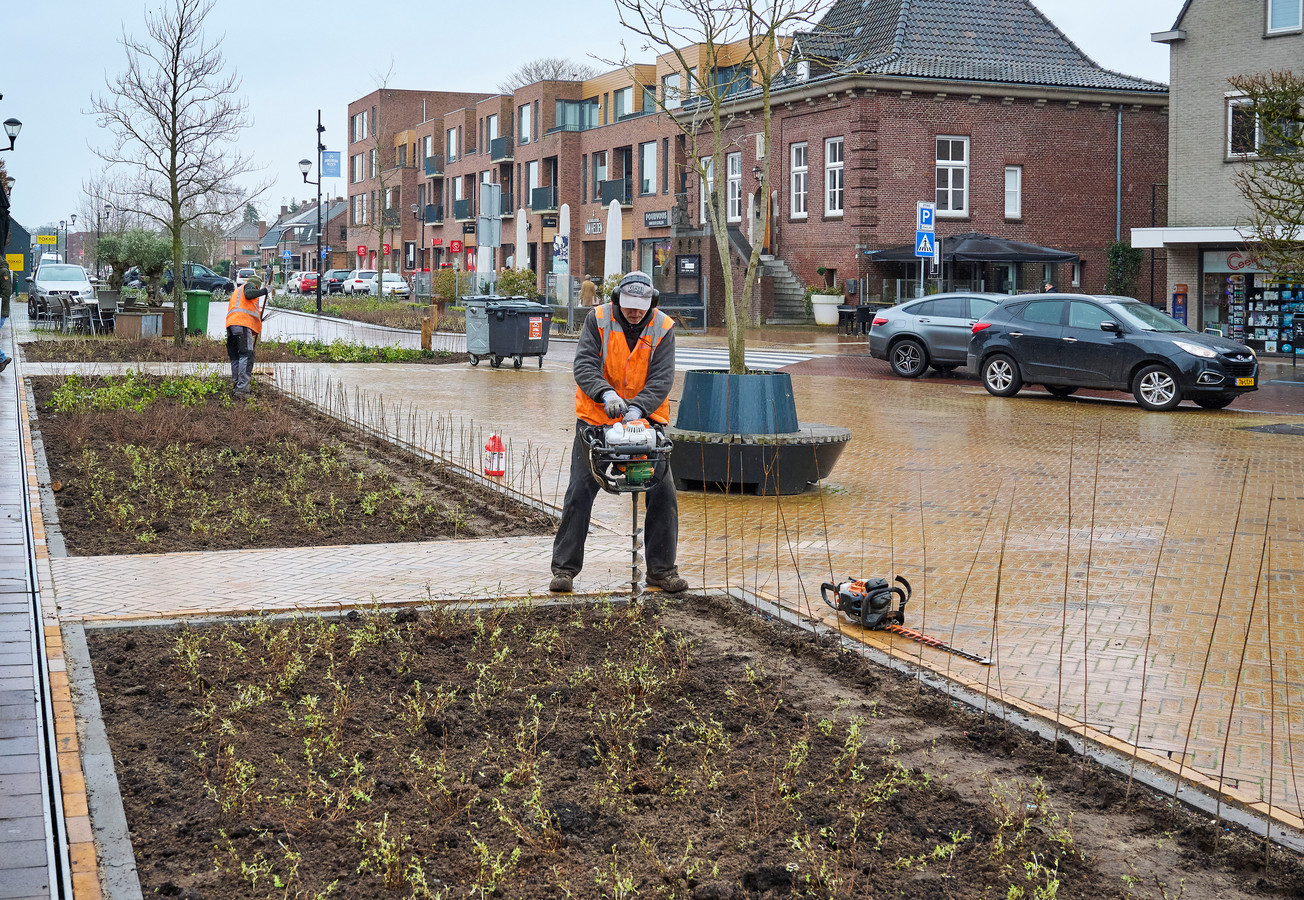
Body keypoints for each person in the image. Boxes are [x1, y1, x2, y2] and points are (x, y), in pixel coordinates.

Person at [551, 271, 687, 594]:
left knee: (663, 491)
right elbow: (584, 364)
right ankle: (564, 569)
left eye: (641, 307)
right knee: (580, 490)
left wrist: (638, 408)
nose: (635, 312)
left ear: (652, 303)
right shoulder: (597, 320)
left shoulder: (663, 327)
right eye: (628, 306)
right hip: (597, 419)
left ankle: (661, 570)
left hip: (643, 423)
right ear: (617, 301)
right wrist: (606, 393)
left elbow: (662, 378)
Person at [225, 274, 268, 396]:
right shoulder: (249, 287)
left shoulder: (237, 291)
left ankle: (237, 385)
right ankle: (242, 389)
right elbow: (249, 294)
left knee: (236, 357)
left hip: (231, 325)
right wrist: (264, 291)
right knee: (246, 356)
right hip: (242, 325)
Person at [0, 265, 11, 374]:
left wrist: (0, 304)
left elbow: (6, 291)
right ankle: (2, 358)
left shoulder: (3, 272)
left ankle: (2, 358)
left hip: (1, 311)